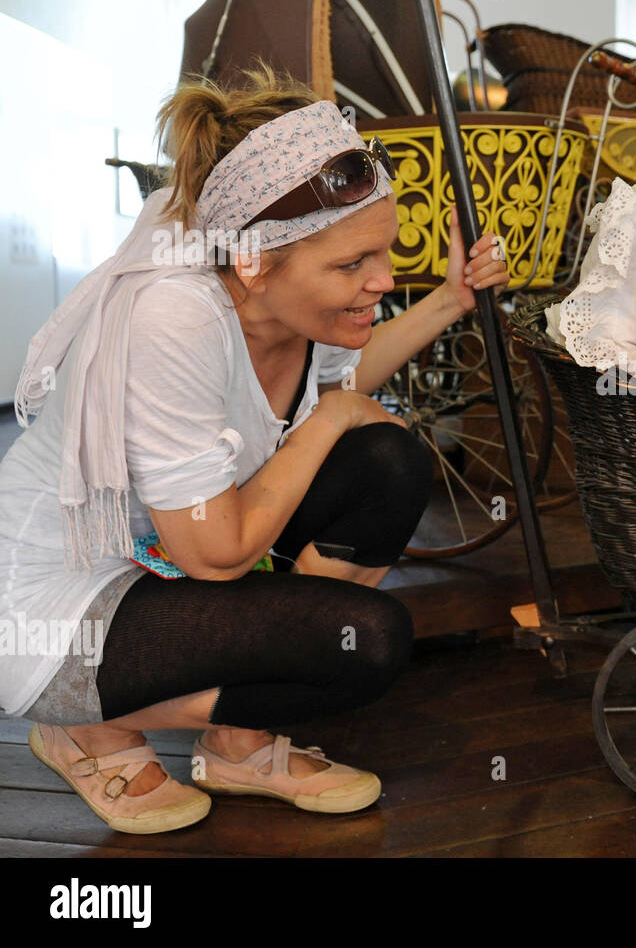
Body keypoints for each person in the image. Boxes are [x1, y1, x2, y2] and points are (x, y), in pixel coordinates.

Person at [0, 66, 509, 834]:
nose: (384, 279)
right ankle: (83, 723)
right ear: (254, 260)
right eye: (352, 265)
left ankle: (236, 743)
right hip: (57, 607)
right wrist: (333, 416)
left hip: (157, 563)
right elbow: (218, 551)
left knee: (389, 460)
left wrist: (448, 302)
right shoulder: (176, 315)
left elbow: (327, 393)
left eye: (387, 252)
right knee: (365, 644)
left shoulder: (284, 308)